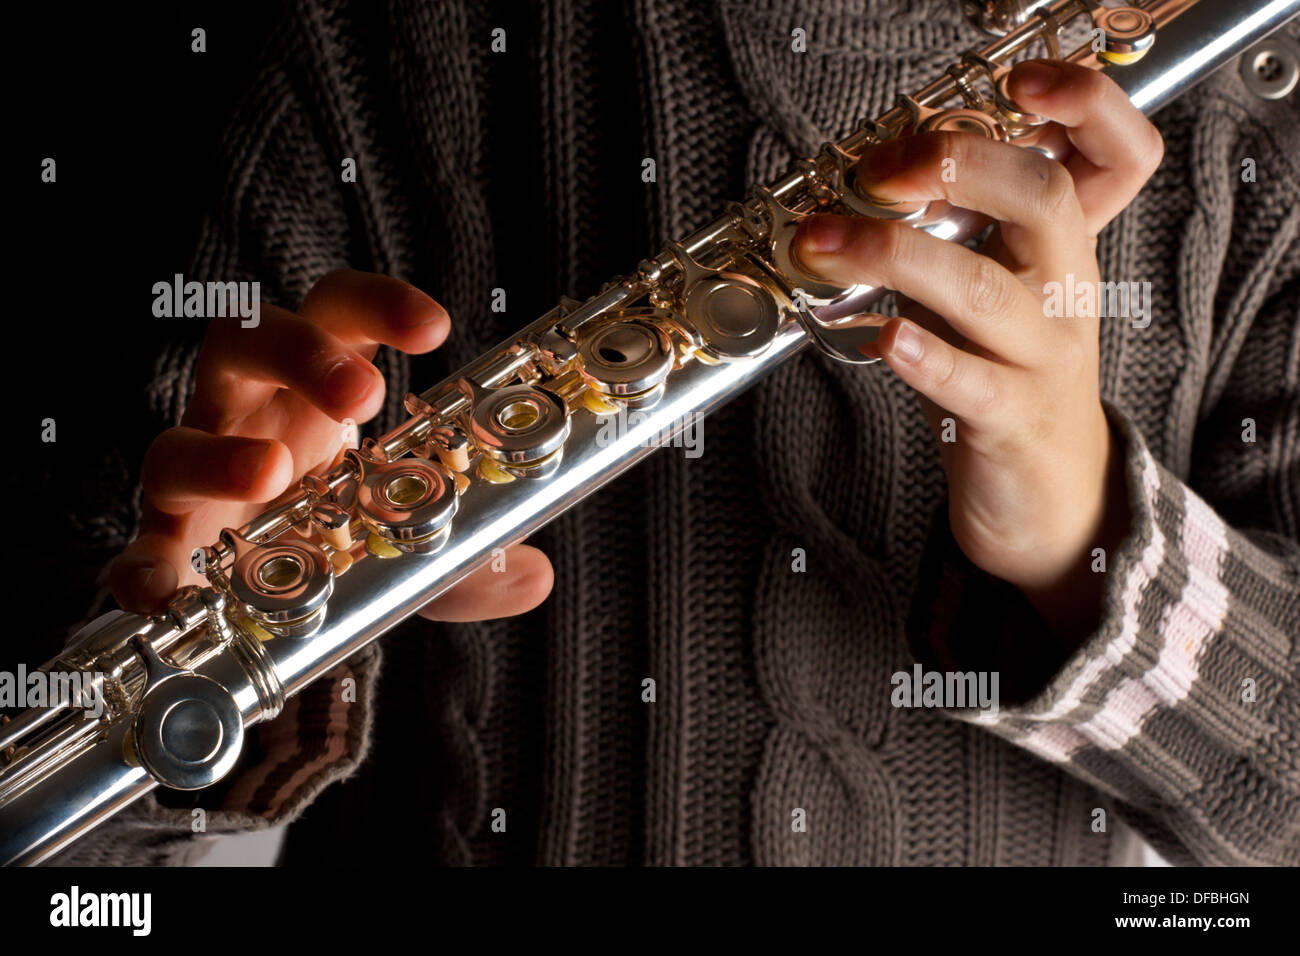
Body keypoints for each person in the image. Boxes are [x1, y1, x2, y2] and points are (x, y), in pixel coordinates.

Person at [54, 0, 1300, 865]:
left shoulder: (1259, 105)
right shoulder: (378, 49)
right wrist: (219, 650)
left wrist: (1082, 529)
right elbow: (83, 879)